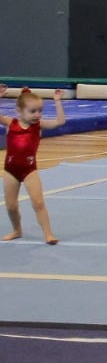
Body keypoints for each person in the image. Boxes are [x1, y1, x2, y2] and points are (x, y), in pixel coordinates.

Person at [1, 86, 66, 244]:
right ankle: (17, 230)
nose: (37, 115)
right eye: (33, 111)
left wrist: (57, 102)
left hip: (29, 170)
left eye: (40, 111)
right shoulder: (12, 123)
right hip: (11, 170)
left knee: (38, 203)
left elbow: (60, 122)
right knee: (11, 206)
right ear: (20, 111)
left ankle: (48, 234)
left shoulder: (38, 126)